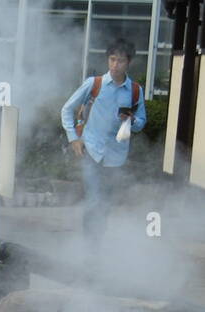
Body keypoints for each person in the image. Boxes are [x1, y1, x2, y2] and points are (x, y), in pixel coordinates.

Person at [60, 38, 148, 243]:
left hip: (116, 155)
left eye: (121, 61)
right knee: (94, 199)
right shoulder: (94, 83)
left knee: (106, 203)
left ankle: (97, 239)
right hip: (92, 151)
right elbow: (66, 109)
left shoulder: (135, 90)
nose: (115, 65)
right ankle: (91, 245)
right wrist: (74, 138)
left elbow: (141, 122)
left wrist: (132, 120)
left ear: (129, 63)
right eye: (112, 60)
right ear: (108, 60)